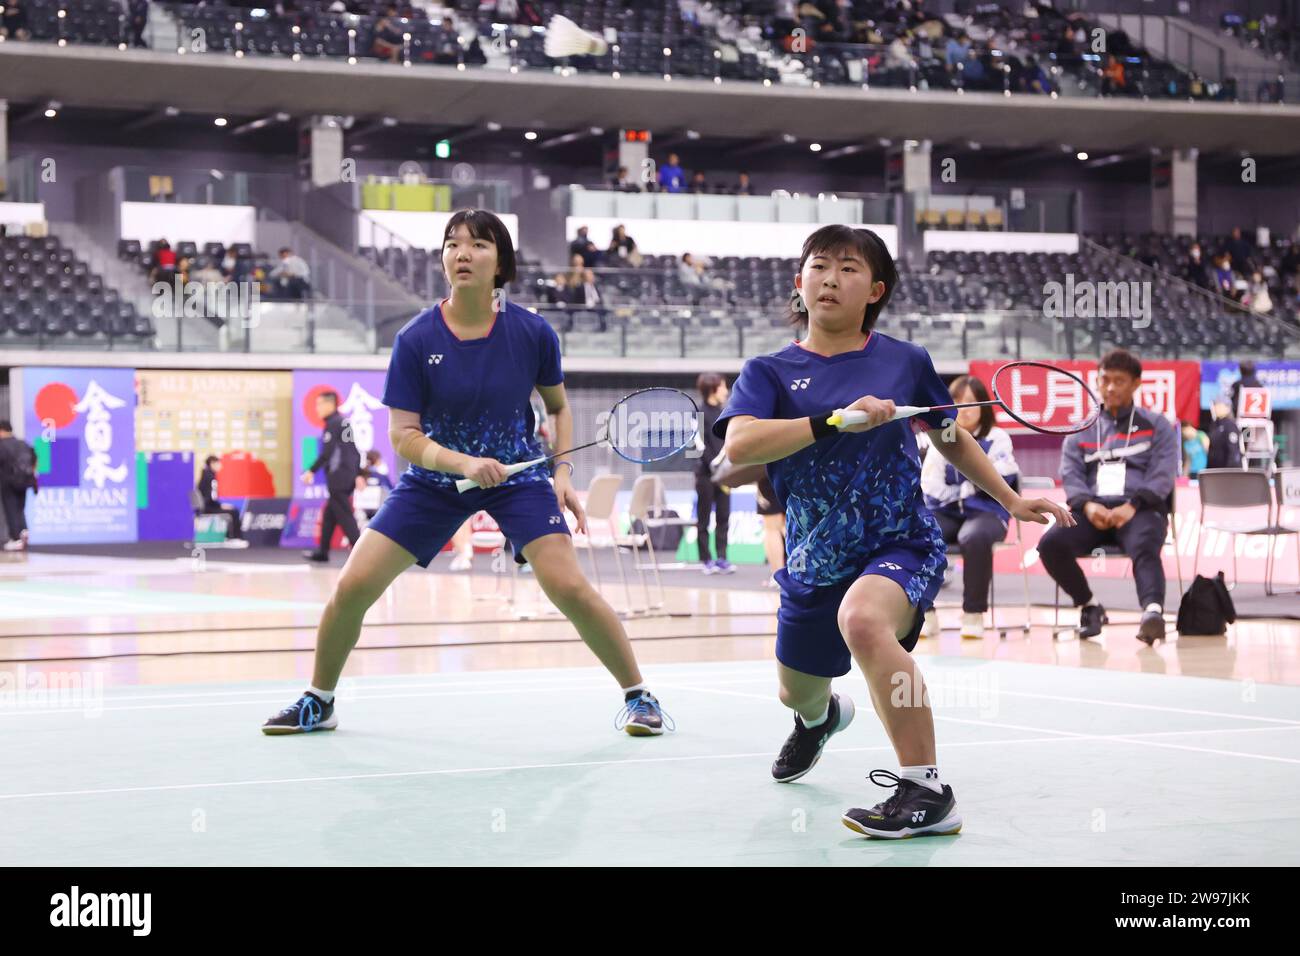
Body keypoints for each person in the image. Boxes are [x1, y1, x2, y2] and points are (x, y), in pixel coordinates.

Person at [715, 224, 1069, 838]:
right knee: (796, 693)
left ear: (874, 289)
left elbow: (950, 436)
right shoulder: (769, 371)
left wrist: (1011, 498)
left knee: (864, 622)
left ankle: (927, 789)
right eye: (818, 265)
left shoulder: (906, 362)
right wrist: (834, 422)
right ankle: (820, 720)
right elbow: (740, 443)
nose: (830, 277)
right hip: (812, 559)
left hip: (898, 540)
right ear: (799, 282)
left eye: (849, 268)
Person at [263, 210, 671, 736]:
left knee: (567, 585)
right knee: (353, 585)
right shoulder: (415, 339)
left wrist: (562, 473)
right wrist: (464, 465)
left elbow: (559, 409)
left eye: (478, 244)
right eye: (452, 244)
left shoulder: (532, 333)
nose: (462, 253)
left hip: (517, 476)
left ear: (500, 262)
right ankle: (319, 699)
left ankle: (639, 696)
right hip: (435, 481)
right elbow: (403, 435)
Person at [1037, 349, 1179, 647]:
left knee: (1144, 545)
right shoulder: (1081, 429)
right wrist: (1087, 505)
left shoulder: (1157, 425)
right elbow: (1071, 474)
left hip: (1139, 511)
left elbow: (1163, 474)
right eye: (1105, 380)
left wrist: (1134, 505)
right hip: (1092, 511)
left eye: (1120, 381)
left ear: (1136, 384)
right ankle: (1089, 606)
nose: (1111, 387)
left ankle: (1152, 614)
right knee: (1050, 544)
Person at [919, 375, 1020, 640]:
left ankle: (973, 614)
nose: (964, 409)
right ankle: (924, 612)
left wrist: (966, 487)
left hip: (988, 512)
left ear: (984, 407)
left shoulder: (997, 438)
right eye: (957, 402)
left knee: (972, 537)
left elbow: (1004, 472)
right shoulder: (939, 437)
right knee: (924, 533)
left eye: (971, 403)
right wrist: (969, 487)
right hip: (948, 511)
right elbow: (931, 484)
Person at [300, 390, 362, 563]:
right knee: (330, 514)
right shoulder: (344, 422)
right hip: (347, 474)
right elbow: (354, 450)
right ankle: (323, 551)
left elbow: (327, 453)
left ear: (330, 404)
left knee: (345, 515)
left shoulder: (334, 423)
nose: (317, 409)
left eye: (319, 404)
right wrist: (357, 473)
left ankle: (360, 554)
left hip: (338, 475)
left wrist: (311, 471)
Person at [694, 373, 734, 574]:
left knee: (723, 517)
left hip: (725, 475)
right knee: (703, 518)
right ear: (712, 389)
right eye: (723, 387)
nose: (726, 391)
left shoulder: (725, 412)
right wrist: (714, 465)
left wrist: (726, 467)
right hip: (705, 476)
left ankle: (722, 557)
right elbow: (700, 445)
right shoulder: (699, 414)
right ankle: (705, 559)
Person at [0, 421, 37, 552]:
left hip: (8, 482)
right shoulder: (22, 443)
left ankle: (16, 538)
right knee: (20, 508)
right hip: (24, 482)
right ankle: (23, 530)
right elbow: (34, 457)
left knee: (11, 509)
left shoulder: (2, 445)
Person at [197, 455, 247, 545]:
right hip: (209, 508)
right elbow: (210, 498)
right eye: (218, 463)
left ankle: (229, 537)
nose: (220, 466)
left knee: (231, 511)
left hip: (206, 507)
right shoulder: (211, 478)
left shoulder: (205, 475)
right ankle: (236, 538)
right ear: (212, 463)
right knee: (234, 512)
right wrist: (220, 505)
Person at [356, 449, 394, 522]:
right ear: (377, 460)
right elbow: (392, 491)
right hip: (377, 512)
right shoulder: (381, 477)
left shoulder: (360, 475)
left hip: (362, 512)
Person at [1206, 395, 1243, 469]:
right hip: (1214, 470)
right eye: (1215, 405)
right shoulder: (1214, 425)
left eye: (1219, 405)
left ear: (1227, 408)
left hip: (1226, 472)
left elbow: (1233, 451)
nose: (1215, 408)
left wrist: (1229, 472)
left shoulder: (1230, 426)